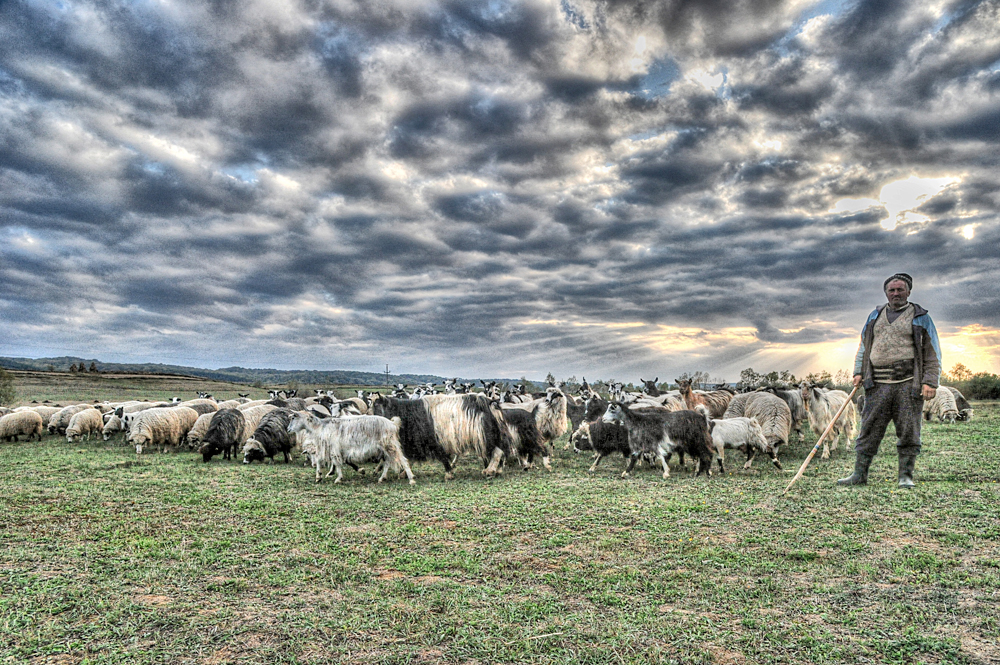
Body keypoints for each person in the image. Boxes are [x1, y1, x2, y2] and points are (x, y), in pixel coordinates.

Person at [838, 273, 941, 488]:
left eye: (900, 289)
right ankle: (859, 474)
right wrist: (858, 371)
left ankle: (905, 476)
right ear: (886, 292)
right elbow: (864, 347)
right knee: (869, 429)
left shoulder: (920, 317)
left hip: (908, 383)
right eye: (891, 290)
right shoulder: (874, 316)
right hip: (877, 384)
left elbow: (932, 352)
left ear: (908, 292)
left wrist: (930, 381)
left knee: (909, 430)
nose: (895, 293)